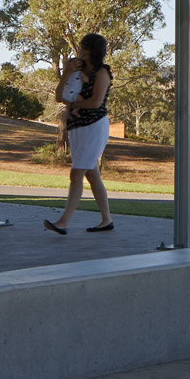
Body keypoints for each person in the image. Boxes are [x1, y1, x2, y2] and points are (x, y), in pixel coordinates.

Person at [45, 33, 115, 235]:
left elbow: (95, 103)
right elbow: (59, 96)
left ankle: (63, 221)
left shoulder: (102, 73)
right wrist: (66, 73)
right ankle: (106, 220)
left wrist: (73, 104)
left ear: (93, 51)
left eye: (84, 48)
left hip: (94, 127)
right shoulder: (76, 71)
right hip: (76, 128)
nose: (80, 51)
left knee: (77, 174)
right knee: (92, 175)